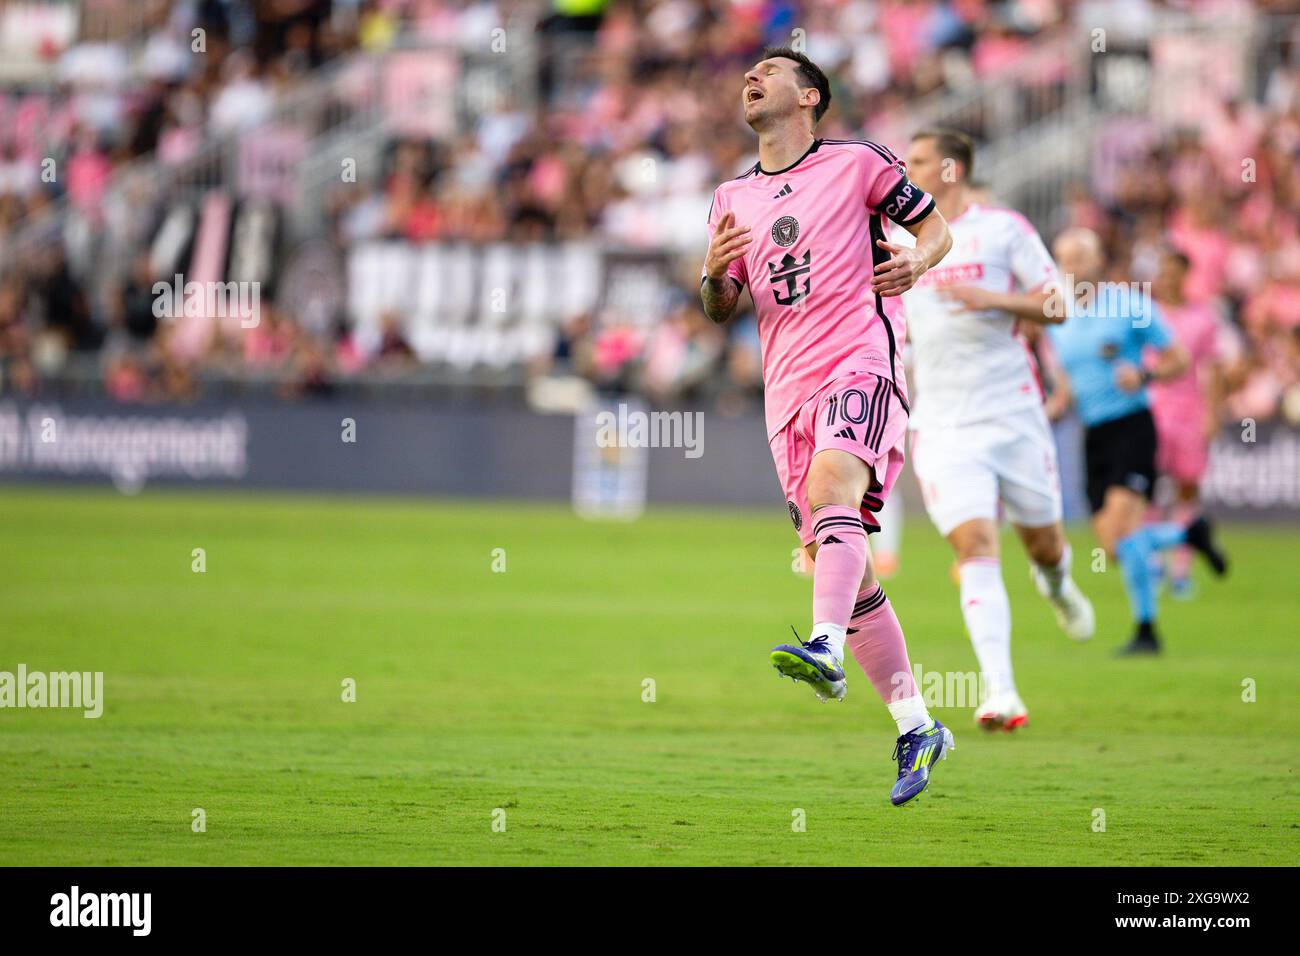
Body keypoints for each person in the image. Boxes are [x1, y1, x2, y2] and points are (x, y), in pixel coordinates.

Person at [700, 47, 955, 805]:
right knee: (843, 559)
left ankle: (823, 646)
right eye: (747, 73)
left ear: (809, 96)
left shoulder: (857, 163)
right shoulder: (729, 198)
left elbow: (936, 226)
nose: (752, 79)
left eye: (770, 72)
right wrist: (713, 275)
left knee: (833, 486)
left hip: (859, 360)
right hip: (785, 394)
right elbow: (721, 307)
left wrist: (919, 262)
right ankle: (917, 725)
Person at [887, 129, 1095, 732]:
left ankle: (1057, 585)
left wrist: (993, 299)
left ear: (950, 169)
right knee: (976, 546)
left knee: (1044, 547)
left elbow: (1059, 304)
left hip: (1013, 416)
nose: (907, 169)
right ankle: (1002, 693)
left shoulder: (1003, 230)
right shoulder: (900, 240)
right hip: (944, 424)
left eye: (919, 161)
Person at [1048, 229, 1228, 655]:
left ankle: (1147, 630)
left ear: (1098, 261)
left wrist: (1145, 376)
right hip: (1093, 435)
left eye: (1080, 258)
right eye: (1064, 259)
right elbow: (1067, 384)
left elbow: (1178, 357)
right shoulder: (1056, 314)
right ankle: (1188, 533)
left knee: (1124, 532)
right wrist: (1052, 409)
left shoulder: (1129, 304)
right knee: (1112, 546)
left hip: (1132, 426)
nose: (1072, 268)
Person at [1148, 247, 1228, 598]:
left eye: (1172, 270)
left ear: (1185, 274)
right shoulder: (1144, 313)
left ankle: (1181, 570)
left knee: (1186, 489)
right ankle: (1152, 564)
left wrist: (1212, 412)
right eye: (1162, 271)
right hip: (1151, 409)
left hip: (1189, 411)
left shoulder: (1204, 317)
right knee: (1147, 488)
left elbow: (1211, 369)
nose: (1166, 277)